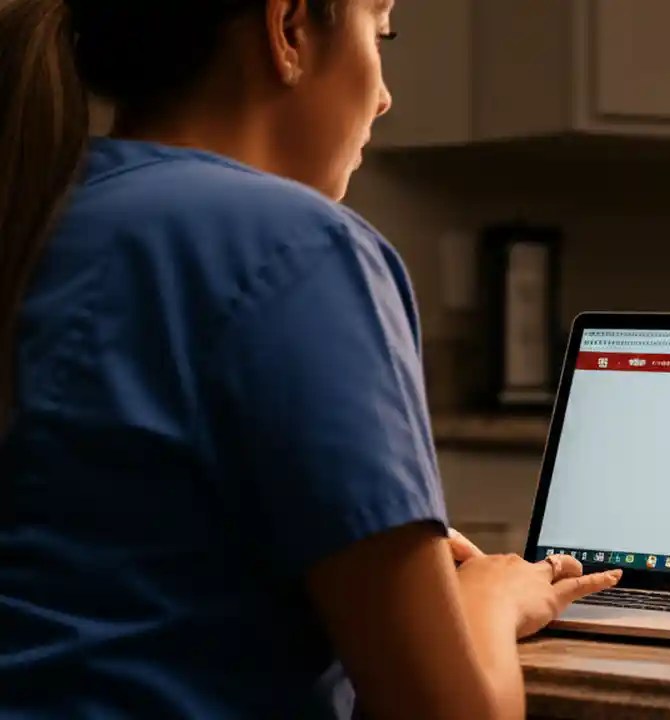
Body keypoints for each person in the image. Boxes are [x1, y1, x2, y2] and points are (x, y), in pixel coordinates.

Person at [0, 0, 620, 717]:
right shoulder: (302, 247)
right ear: (290, 27)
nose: (384, 94)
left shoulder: (40, 209)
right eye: (379, 33)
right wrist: (489, 601)